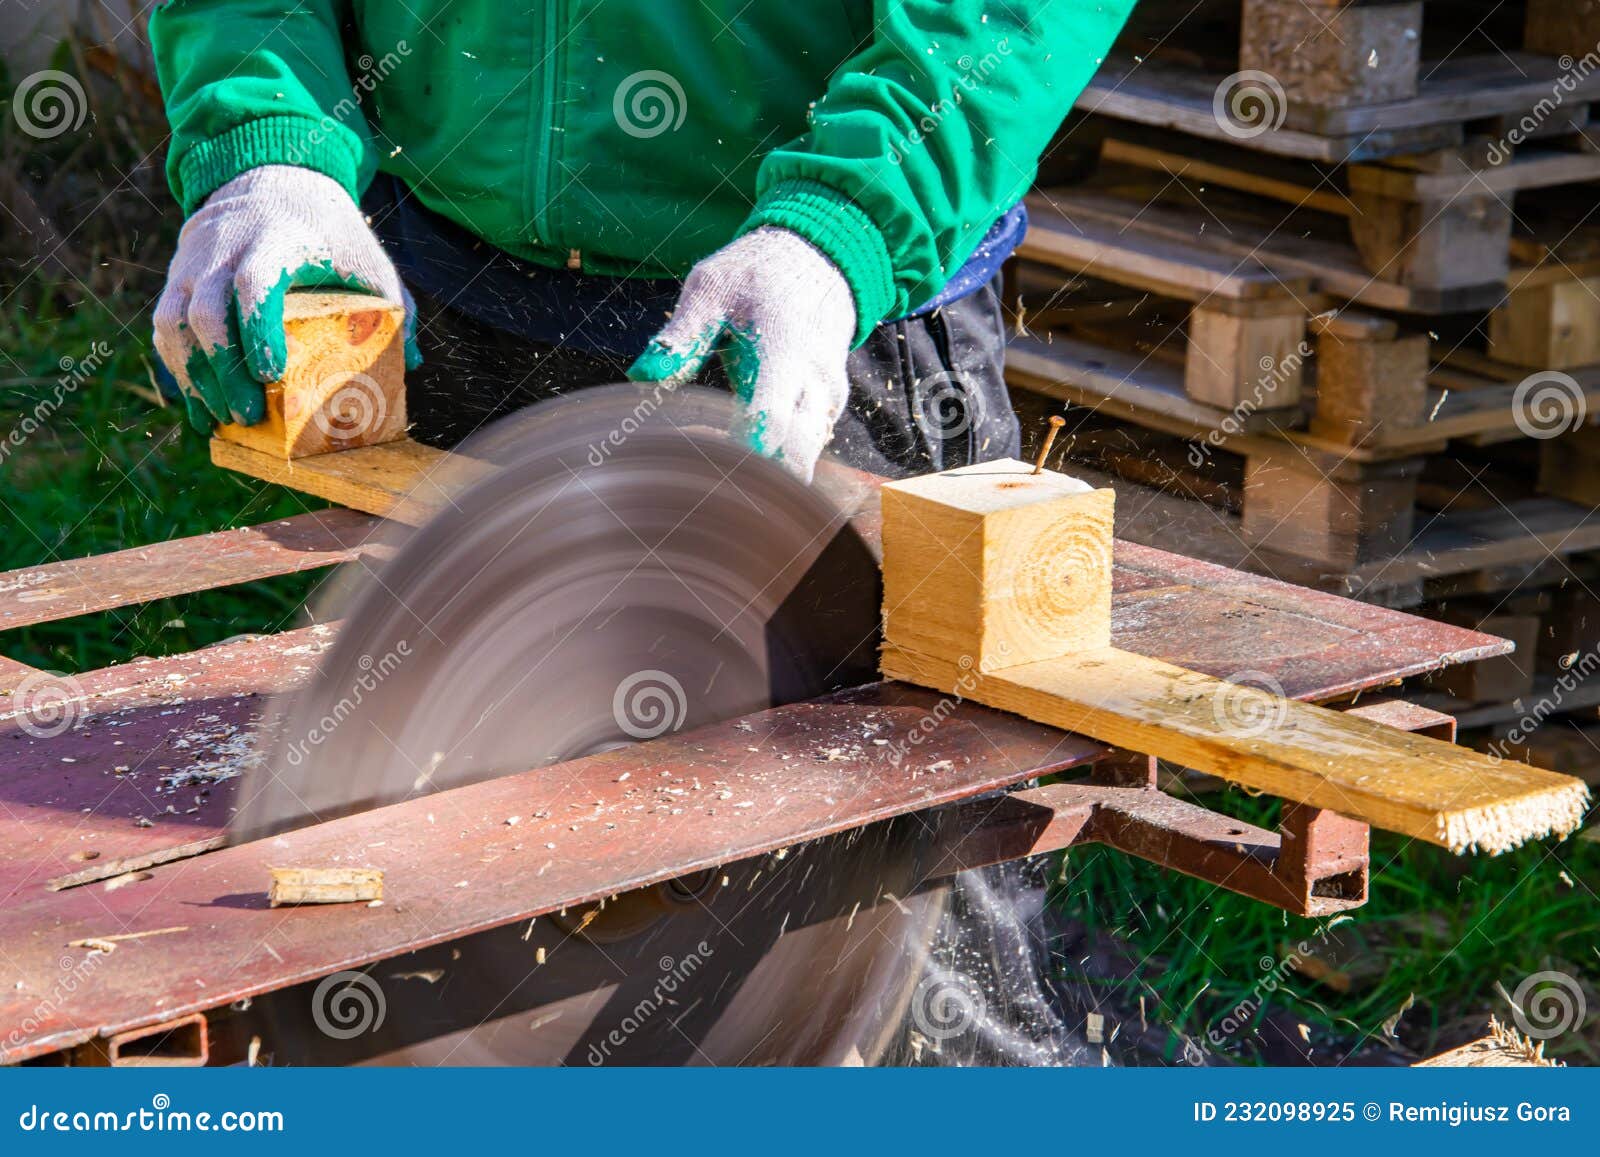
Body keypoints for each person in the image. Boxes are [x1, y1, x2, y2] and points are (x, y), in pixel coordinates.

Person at [149, 1, 1134, 482]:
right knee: (443, 760)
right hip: (449, 287)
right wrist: (269, 144)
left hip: (813, 319)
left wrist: (846, 224)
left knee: (876, 784)